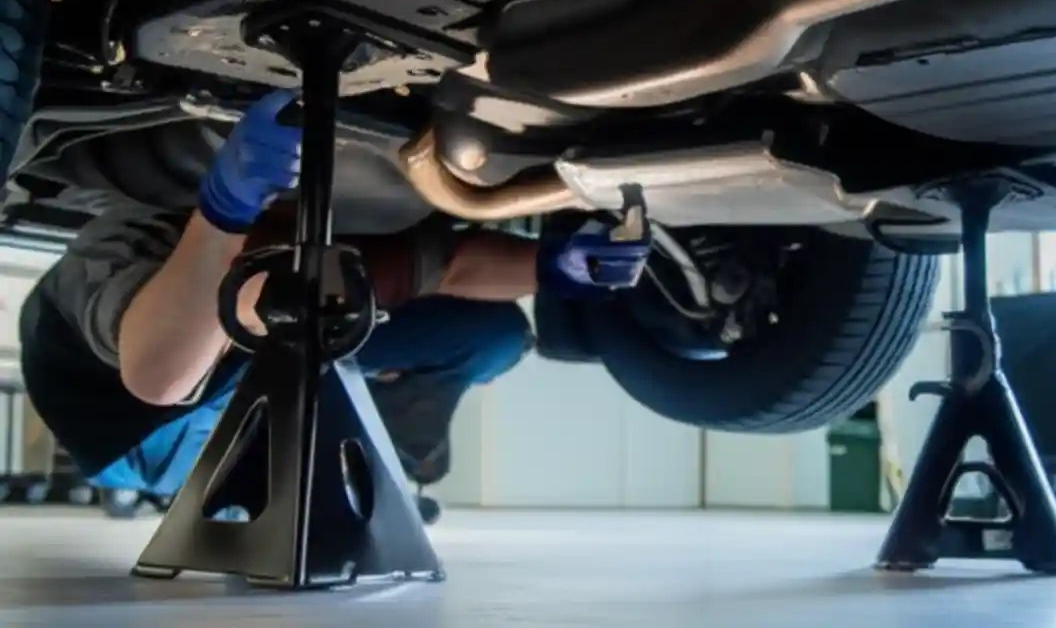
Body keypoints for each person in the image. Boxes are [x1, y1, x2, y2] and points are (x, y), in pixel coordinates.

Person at [18, 91, 648, 517]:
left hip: (245, 349)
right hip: (136, 430)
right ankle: (347, 460)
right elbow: (157, 373)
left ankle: (378, 431)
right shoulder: (123, 248)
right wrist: (224, 211)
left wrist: (555, 268)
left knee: (493, 334)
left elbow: (450, 263)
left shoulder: (322, 253)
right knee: (276, 494)